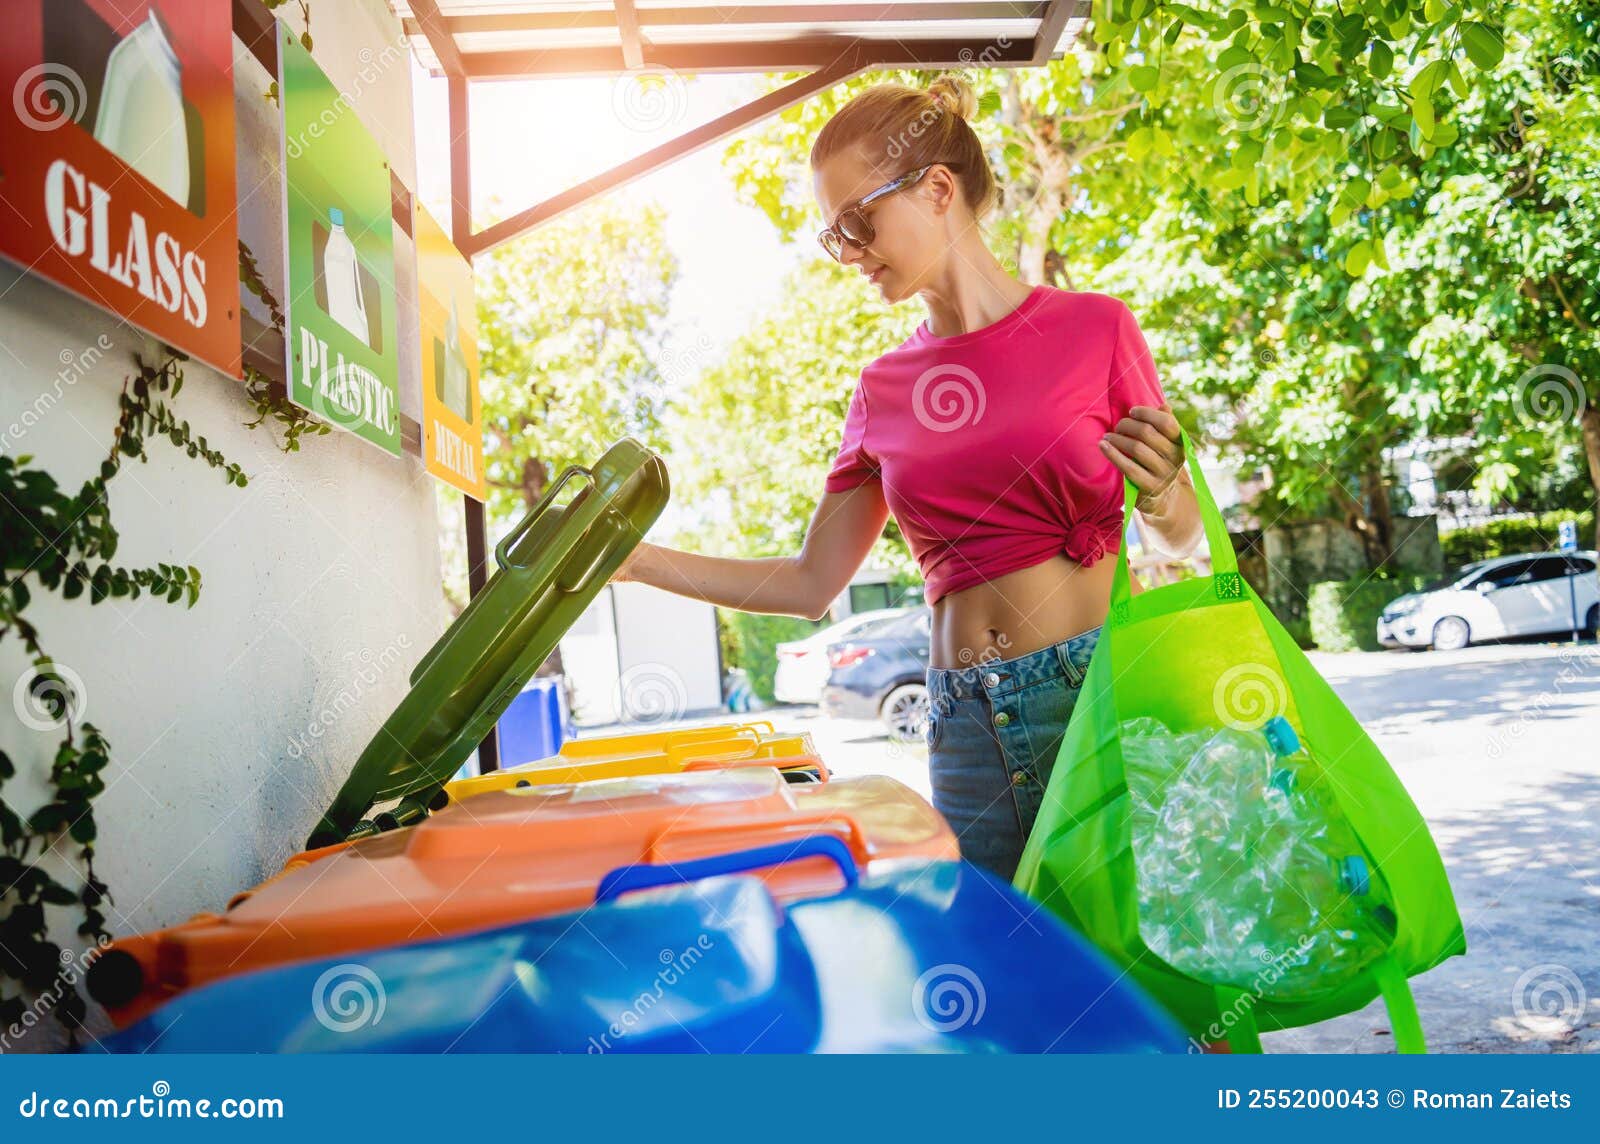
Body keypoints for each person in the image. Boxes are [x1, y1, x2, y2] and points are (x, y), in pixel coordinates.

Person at [614, 74, 1203, 881]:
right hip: (965, 729)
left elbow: (1182, 532)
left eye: (859, 221)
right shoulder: (880, 390)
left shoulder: (1096, 329)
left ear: (936, 189)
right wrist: (637, 562)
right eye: (834, 236)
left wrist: (1168, 492)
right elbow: (810, 582)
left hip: (1093, 698)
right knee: (1001, 974)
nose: (849, 252)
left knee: (1125, 974)